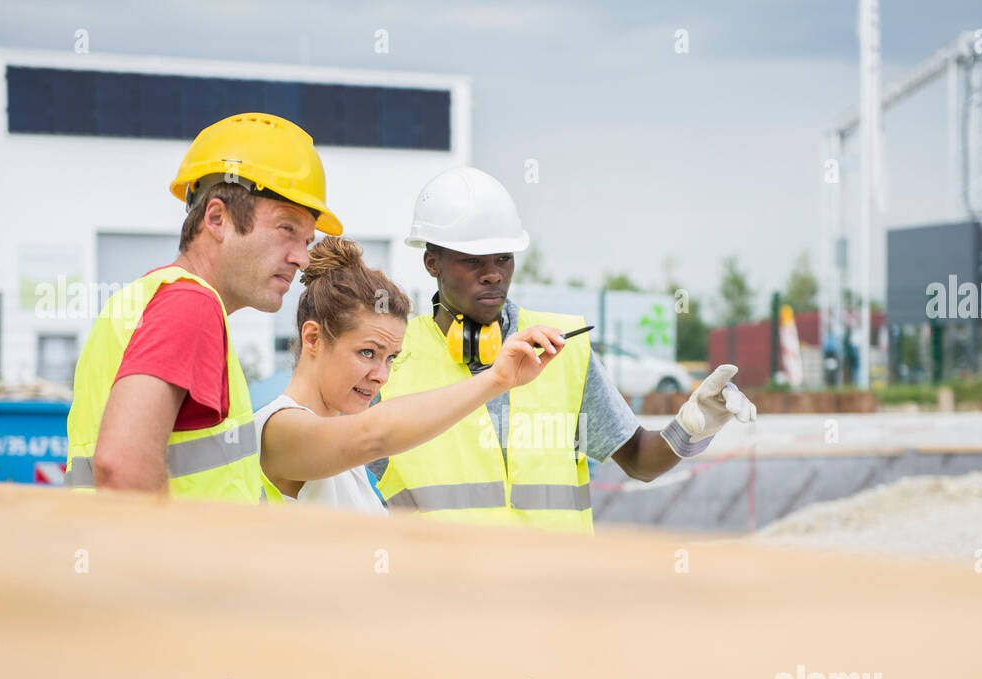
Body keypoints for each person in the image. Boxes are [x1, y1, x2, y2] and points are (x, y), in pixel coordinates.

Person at [370, 167, 755, 533]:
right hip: (439, 594)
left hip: (556, 591)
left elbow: (639, 460)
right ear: (431, 262)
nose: (493, 273)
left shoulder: (563, 347)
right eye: (472, 261)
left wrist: (693, 425)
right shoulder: (392, 360)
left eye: (503, 257)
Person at [65, 112, 342, 502]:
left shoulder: (148, 297)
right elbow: (122, 467)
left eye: (307, 240)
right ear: (217, 219)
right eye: (286, 229)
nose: (303, 258)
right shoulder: (189, 305)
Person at [254, 236, 567, 510]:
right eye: (367, 353)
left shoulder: (345, 462)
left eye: (391, 358)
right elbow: (372, 434)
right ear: (313, 338)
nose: (381, 375)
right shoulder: (277, 429)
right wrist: (497, 379)